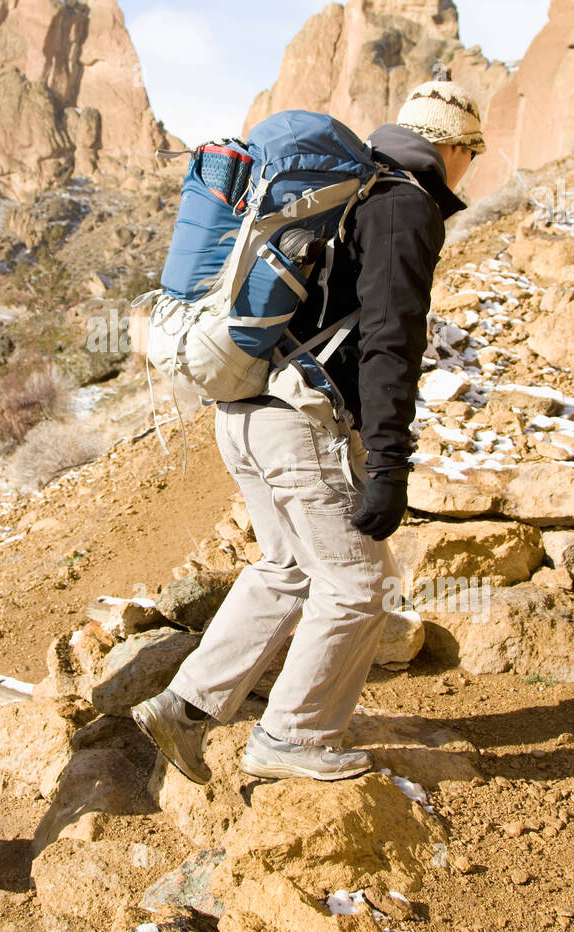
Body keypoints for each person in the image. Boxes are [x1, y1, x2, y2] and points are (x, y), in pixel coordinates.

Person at [133, 68, 485, 785]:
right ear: (454, 148)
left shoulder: (345, 190)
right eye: (472, 152)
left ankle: (186, 708)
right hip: (301, 421)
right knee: (359, 584)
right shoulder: (404, 206)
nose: (470, 168)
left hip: (245, 412)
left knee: (288, 567)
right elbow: (391, 341)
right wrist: (389, 463)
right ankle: (292, 737)